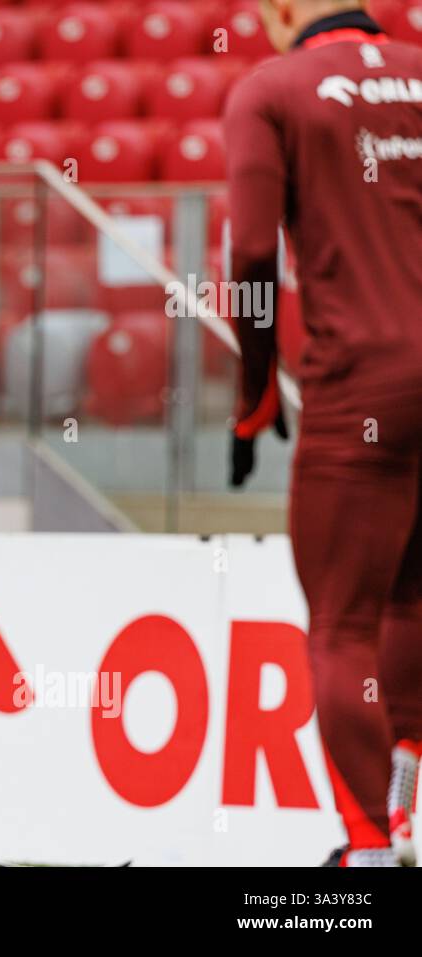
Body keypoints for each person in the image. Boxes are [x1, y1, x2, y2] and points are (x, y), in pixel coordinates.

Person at [226, 0, 422, 866]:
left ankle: (370, 848)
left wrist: (256, 387)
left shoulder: (271, 86)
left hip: (362, 384)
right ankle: (410, 815)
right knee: (413, 598)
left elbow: (252, 254)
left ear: (278, 11)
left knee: (342, 626)